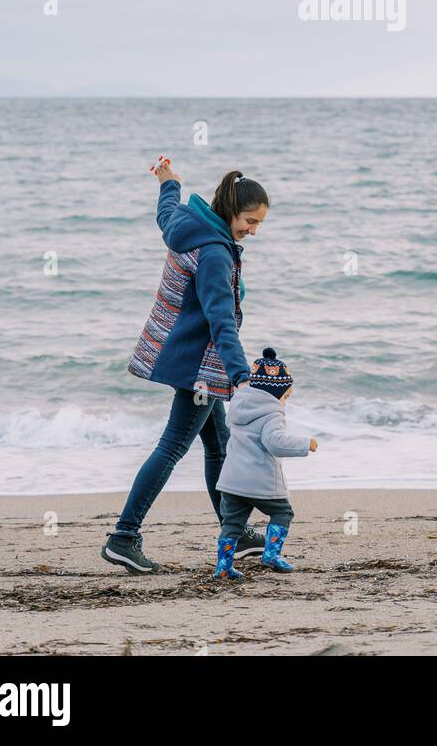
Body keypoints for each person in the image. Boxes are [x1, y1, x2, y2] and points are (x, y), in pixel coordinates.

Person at [101, 164, 270, 573]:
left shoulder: (188, 223)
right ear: (231, 210)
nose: (253, 230)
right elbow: (220, 320)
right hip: (201, 366)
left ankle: (236, 530)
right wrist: (240, 376)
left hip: (187, 357)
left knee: (219, 445)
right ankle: (124, 536)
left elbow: (166, 213)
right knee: (173, 447)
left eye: (259, 223)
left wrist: (167, 182)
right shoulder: (213, 252)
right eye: (250, 221)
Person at [213, 347, 317, 579]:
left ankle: (223, 567)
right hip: (259, 481)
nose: (285, 403)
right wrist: (304, 444)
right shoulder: (272, 414)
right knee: (283, 513)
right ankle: (270, 554)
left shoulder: (238, 408)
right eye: (286, 397)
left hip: (231, 481)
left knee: (232, 524)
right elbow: (275, 442)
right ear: (275, 393)